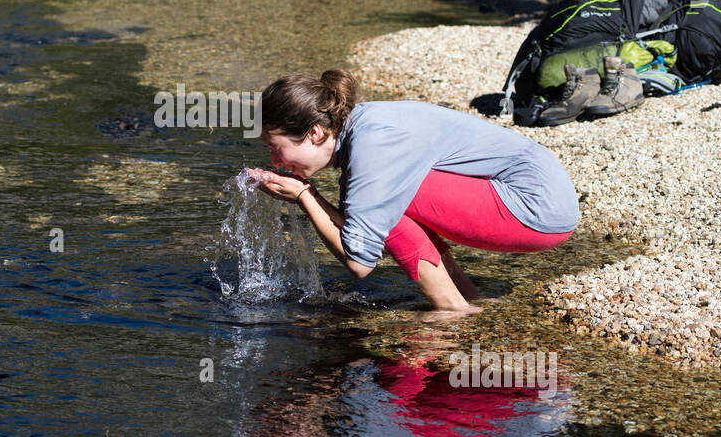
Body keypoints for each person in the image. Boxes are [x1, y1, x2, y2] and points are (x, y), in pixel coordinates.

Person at [246, 69, 579, 312]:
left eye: (275, 147)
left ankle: (452, 309)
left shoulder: (374, 144)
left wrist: (306, 197)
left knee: (387, 199)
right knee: (382, 199)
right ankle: (469, 298)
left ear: (316, 133)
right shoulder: (360, 129)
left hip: (536, 209)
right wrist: (311, 195)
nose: (274, 160)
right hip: (537, 199)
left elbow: (359, 261)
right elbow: (360, 232)